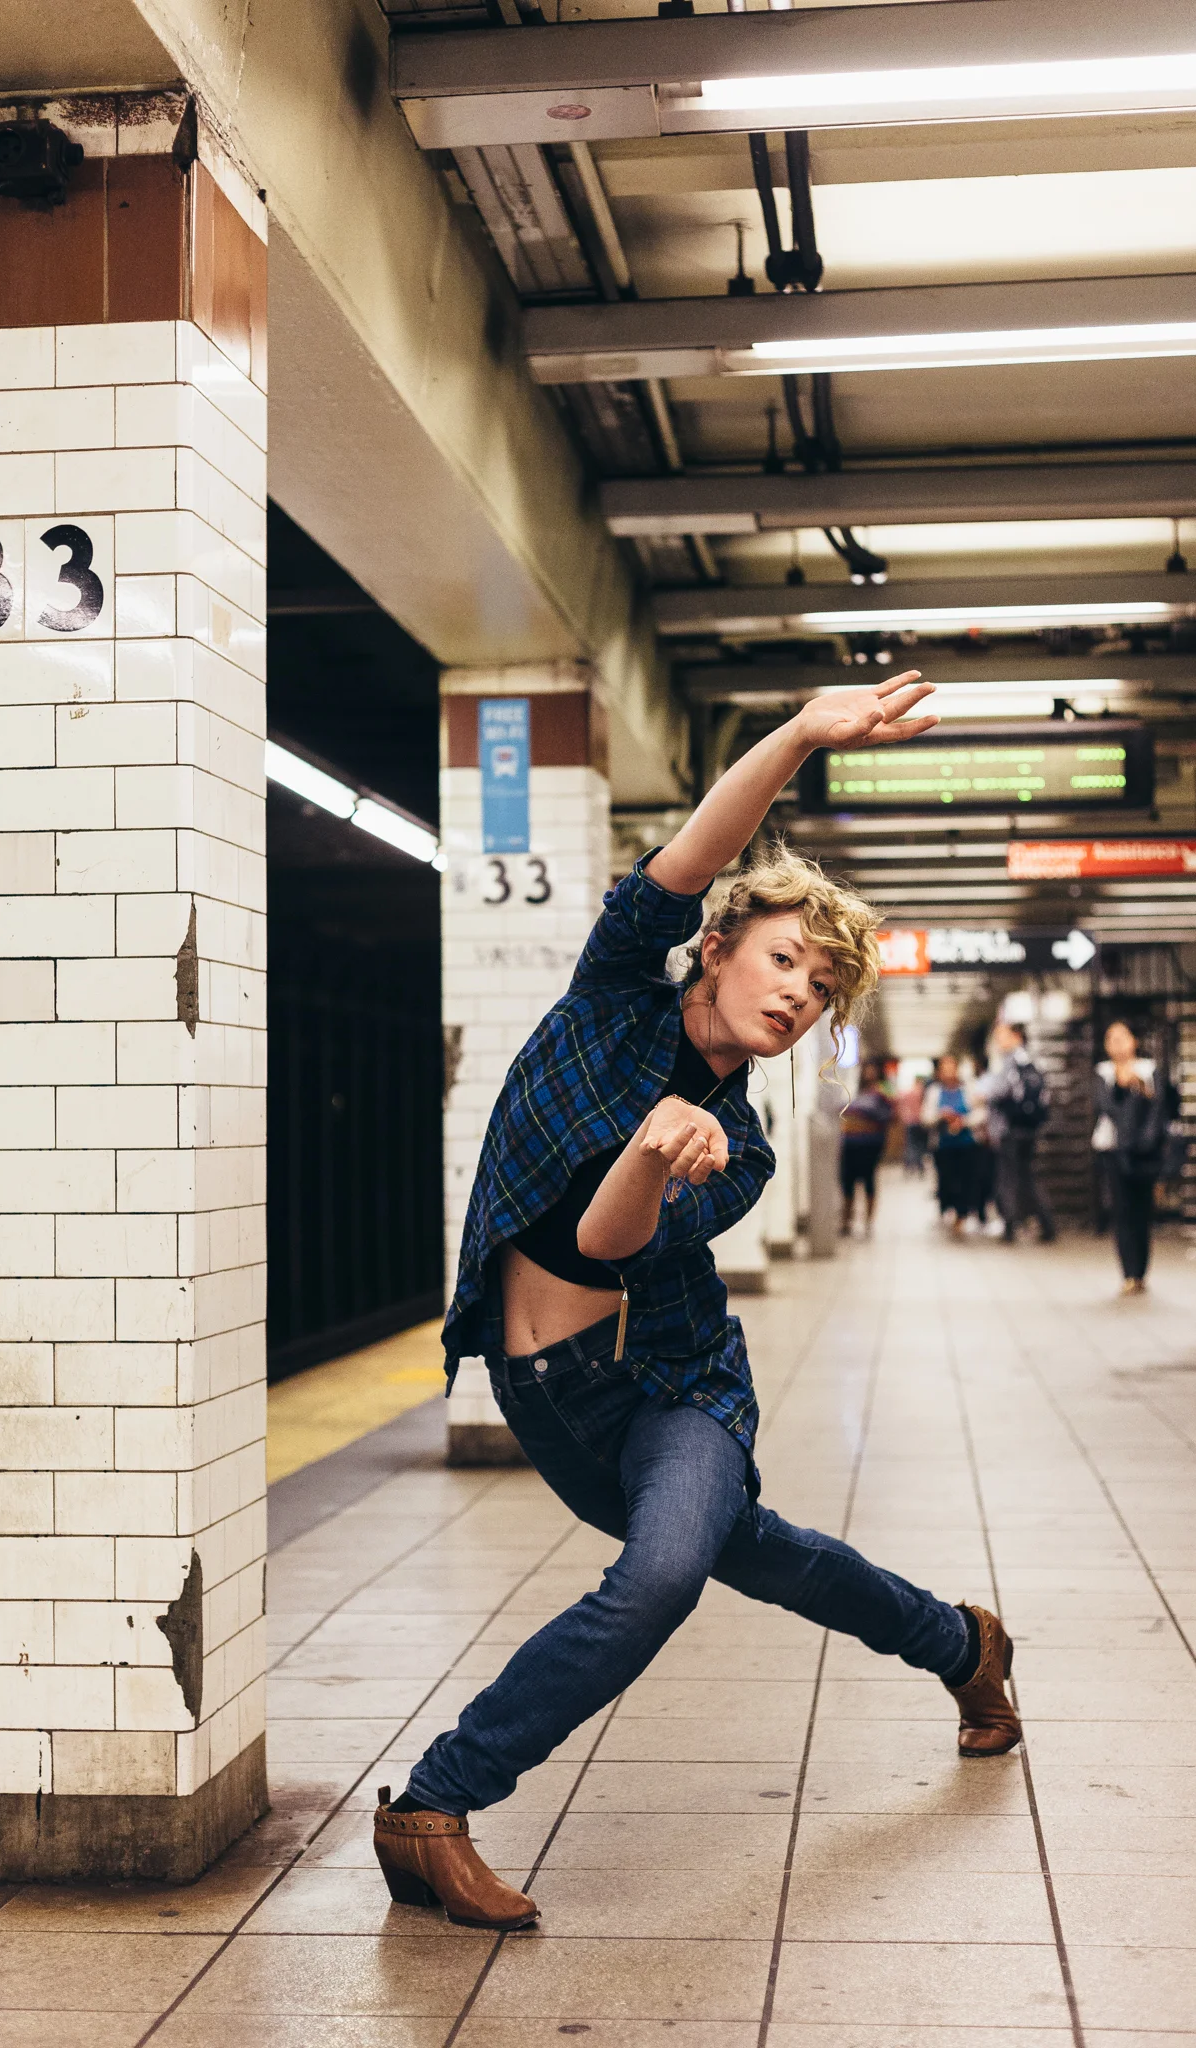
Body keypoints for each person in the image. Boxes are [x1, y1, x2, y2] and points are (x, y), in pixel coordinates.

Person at [372, 675, 1021, 1934]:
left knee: (663, 1569)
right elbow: (694, 853)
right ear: (717, 946)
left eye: (823, 987)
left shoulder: (744, 1149)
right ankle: (963, 1643)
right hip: (542, 1393)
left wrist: (664, 1152)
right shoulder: (614, 989)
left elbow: (609, 1242)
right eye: (786, 958)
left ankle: (435, 1801)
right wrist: (797, 735)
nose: (797, 992)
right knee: (759, 1552)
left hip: (673, 1388)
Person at [1093, 1020, 1174, 1295]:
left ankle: (1141, 1271)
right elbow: (1106, 1108)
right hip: (1114, 1151)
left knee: (1142, 1210)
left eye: (1121, 1037)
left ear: (1133, 1041)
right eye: (1110, 1038)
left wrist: (1145, 1141)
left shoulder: (1149, 1071)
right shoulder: (1103, 1073)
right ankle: (1128, 1272)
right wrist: (1121, 1085)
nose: (1116, 1043)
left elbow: (1159, 1108)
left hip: (1145, 1152)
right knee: (1122, 1211)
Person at [978, 1020, 1056, 1244]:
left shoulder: (1010, 1062)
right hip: (1028, 1128)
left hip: (1010, 1129)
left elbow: (997, 1090)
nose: (998, 1041)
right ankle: (1045, 1222)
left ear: (1016, 1037)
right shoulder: (1032, 1061)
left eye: (1002, 1036)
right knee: (1027, 1176)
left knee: (1008, 1177)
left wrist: (984, 1092)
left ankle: (1010, 1224)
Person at [923, 1053, 979, 1233]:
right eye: (944, 1069)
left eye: (951, 1068)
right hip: (943, 1145)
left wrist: (963, 1121)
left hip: (966, 1144)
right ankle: (946, 1208)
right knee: (946, 1179)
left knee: (965, 1180)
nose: (948, 1072)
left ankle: (961, 1215)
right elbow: (925, 1116)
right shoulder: (934, 1092)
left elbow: (980, 1113)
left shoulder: (969, 1089)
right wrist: (941, 1116)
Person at [840, 1057, 895, 1234]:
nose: (869, 1073)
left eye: (873, 1070)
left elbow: (889, 1116)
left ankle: (868, 1220)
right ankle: (847, 1219)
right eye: (867, 1070)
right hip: (850, 1142)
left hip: (870, 1144)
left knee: (868, 1180)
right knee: (848, 1181)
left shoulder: (882, 1093)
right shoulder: (855, 1090)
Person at [898, 1068, 929, 1177]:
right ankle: (919, 1167)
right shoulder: (922, 1092)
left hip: (910, 1121)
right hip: (920, 1120)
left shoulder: (908, 1092)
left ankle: (909, 1167)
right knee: (919, 1145)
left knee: (911, 1145)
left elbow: (901, 1103)